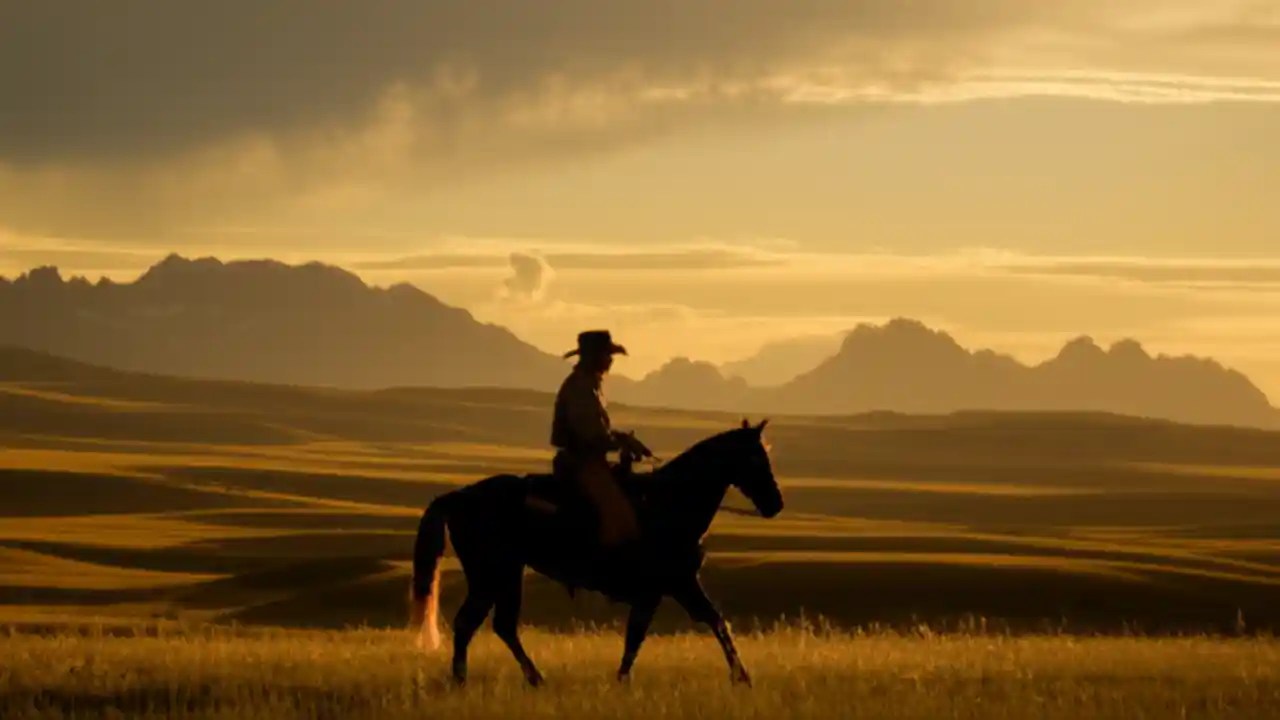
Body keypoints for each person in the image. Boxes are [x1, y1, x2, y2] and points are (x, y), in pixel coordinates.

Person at [551, 329, 650, 547]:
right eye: (607, 355)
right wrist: (622, 443)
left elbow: (596, 430)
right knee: (619, 515)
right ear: (595, 357)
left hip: (591, 462)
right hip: (582, 465)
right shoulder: (580, 388)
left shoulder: (590, 385)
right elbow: (589, 435)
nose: (611, 360)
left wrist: (620, 438)